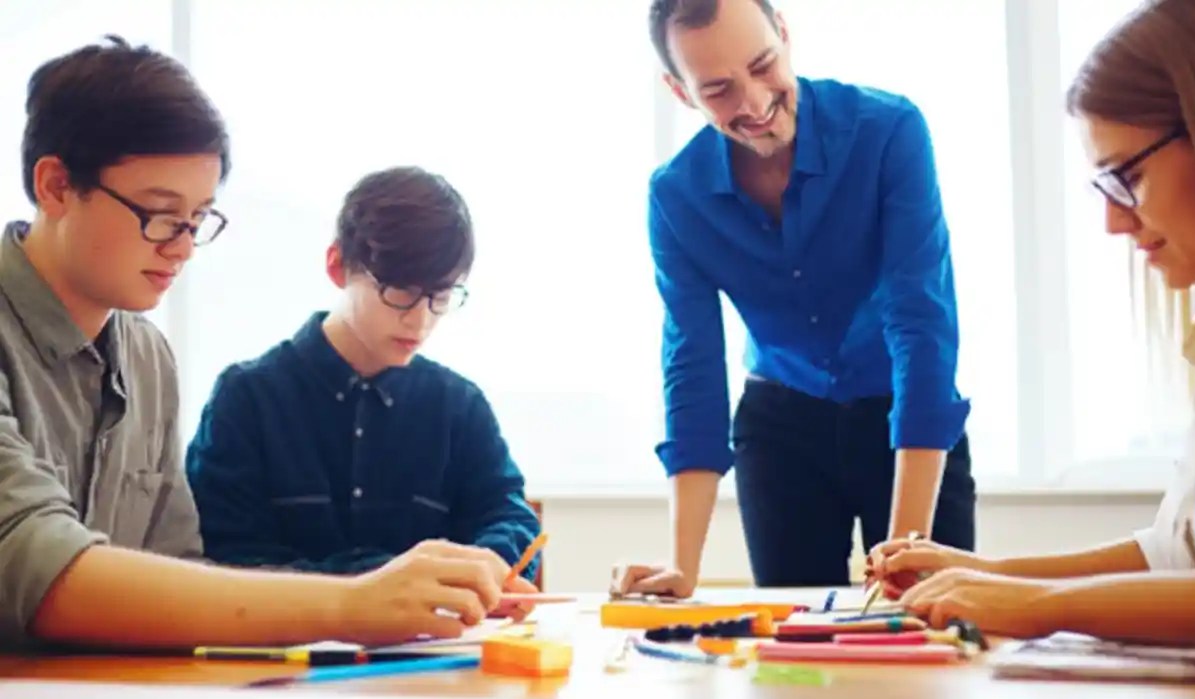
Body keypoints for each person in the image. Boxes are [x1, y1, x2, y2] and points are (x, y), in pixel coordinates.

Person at [0, 37, 524, 651]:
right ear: (57, 185)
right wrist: (355, 602)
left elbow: (182, 570)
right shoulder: (251, 392)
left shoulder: (146, 357)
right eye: (161, 216)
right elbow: (34, 566)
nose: (183, 248)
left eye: (199, 221)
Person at [868, 0, 1195, 647]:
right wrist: (991, 576)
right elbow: (1179, 555)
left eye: (1128, 177)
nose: (1115, 222)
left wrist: (1046, 605)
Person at [613, 0, 975, 597]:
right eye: (719, 90)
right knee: (798, 658)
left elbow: (922, 321)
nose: (753, 104)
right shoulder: (675, 196)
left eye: (762, 65)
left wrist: (906, 549)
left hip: (909, 417)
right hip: (782, 431)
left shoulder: (888, 131)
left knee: (931, 628)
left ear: (784, 34)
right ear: (681, 92)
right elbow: (692, 367)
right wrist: (681, 566)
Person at [186, 167, 542, 580]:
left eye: (440, 296)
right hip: (286, 639)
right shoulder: (247, 398)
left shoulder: (458, 405)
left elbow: (508, 517)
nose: (420, 320)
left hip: (440, 641)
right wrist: (380, 582)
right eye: (401, 294)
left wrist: (490, 565)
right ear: (338, 267)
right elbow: (227, 555)